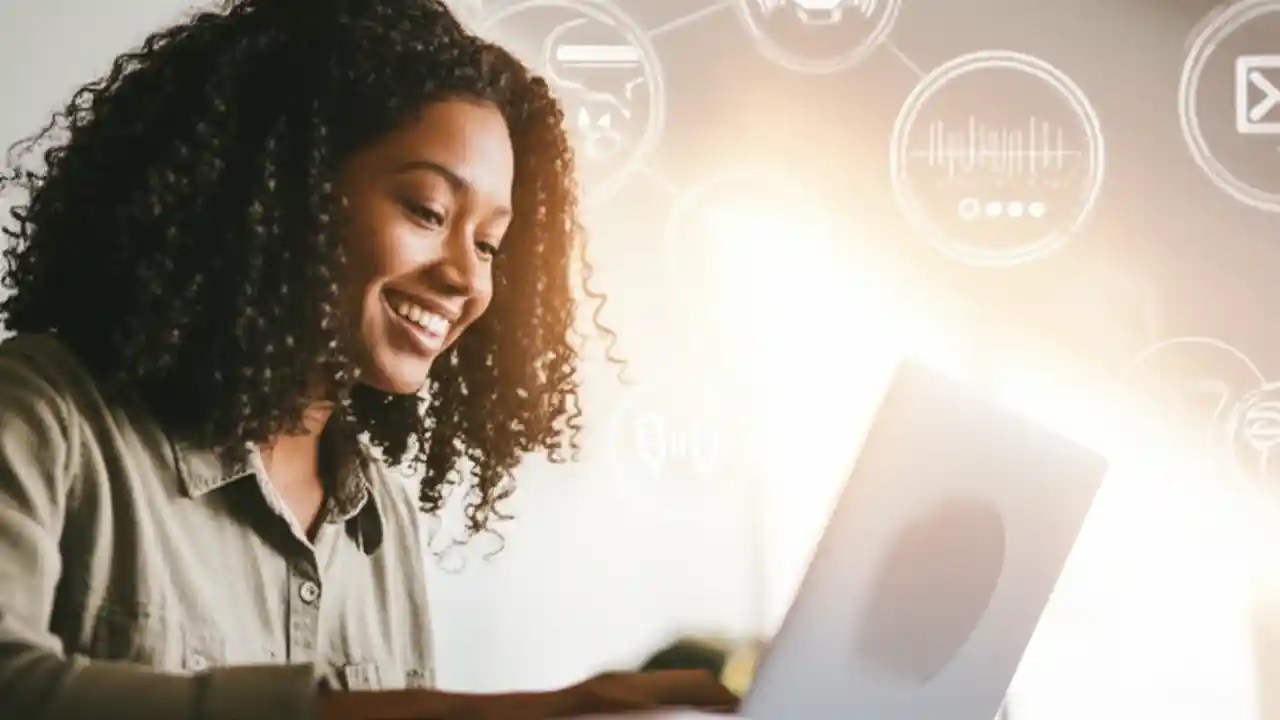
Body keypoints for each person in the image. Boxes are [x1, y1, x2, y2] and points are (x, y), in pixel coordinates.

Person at [0, 0, 739, 717]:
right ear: (286, 187)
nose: (467, 278)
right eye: (427, 211)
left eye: (488, 244)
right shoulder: (43, 417)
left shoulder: (376, 516)